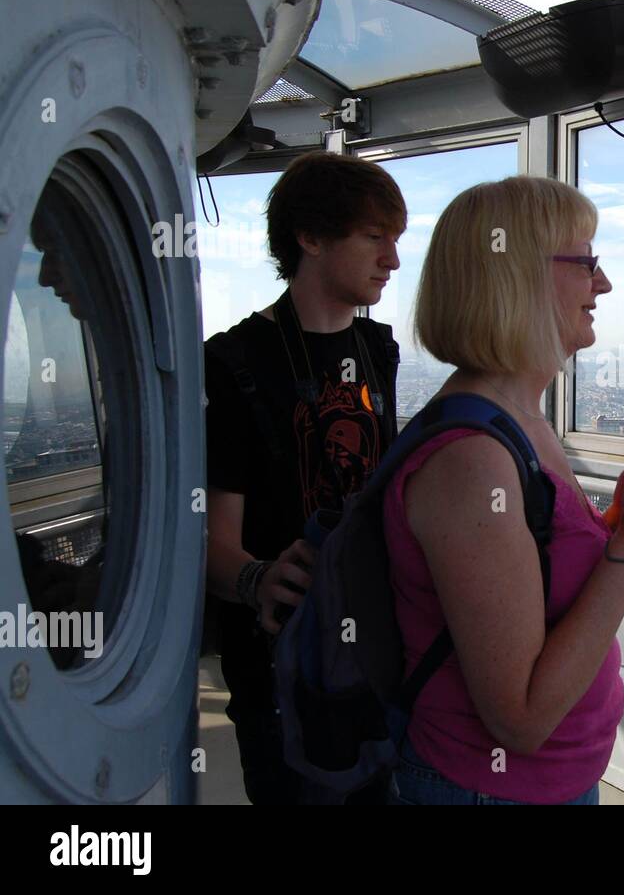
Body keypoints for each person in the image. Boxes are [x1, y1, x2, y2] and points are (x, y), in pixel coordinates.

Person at [386, 176, 624, 805]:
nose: (604, 284)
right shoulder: (472, 462)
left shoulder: (520, 422)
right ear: (518, 278)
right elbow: (521, 718)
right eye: (587, 263)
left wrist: (617, 519)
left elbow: (542, 582)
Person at [203, 151, 405, 804]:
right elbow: (211, 542)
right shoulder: (232, 362)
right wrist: (258, 579)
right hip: (280, 674)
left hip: (374, 648)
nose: (393, 260)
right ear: (311, 238)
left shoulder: (379, 351)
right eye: (375, 237)